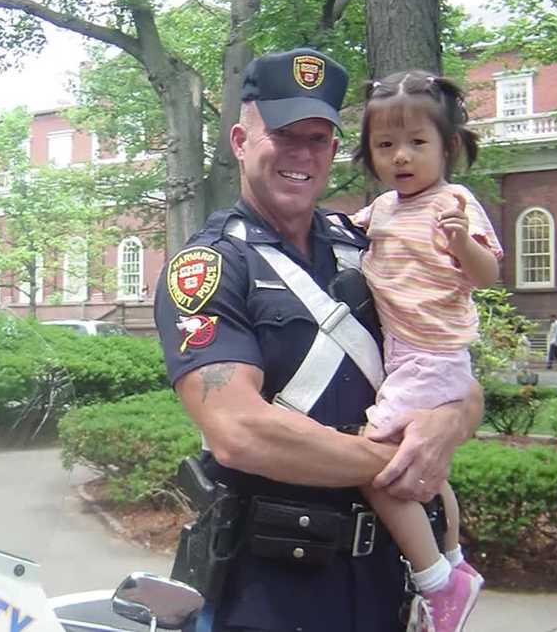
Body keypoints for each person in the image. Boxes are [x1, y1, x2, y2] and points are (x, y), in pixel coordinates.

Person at [153, 48, 484, 632]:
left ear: (334, 149)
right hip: (271, 591)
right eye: (283, 135)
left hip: (383, 582)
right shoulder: (209, 267)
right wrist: (395, 464)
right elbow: (239, 433)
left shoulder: (372, 246)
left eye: (318, 138)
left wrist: (444, 427)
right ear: (239, 140)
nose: (302, 154)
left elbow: (453, 374)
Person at [348, 70, 502, 631]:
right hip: (405, 356)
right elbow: (345, 231)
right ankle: (457, 560)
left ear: (449, 147)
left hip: (434, 357)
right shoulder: (383, 208)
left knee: (372, 465)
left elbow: (486, 274)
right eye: (385, 146)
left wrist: (462, 242)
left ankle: (438, 580)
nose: (401, 157)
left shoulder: (453, 202)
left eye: (417, 143)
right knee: (427, 470)